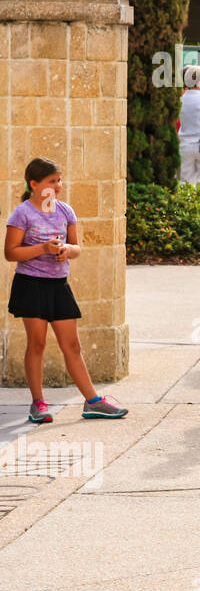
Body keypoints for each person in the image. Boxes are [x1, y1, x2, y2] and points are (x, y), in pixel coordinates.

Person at [6, 158, 127, 424]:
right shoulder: (22, 213)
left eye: (59, 180)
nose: (58, 186)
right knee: (36, 344)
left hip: (59, 286)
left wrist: (66, 252)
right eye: (52, 181)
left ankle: (93, 401)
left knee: (72, 344)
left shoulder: (65, 211)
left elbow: (77, 247)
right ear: (34, 184)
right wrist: (42, 249)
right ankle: (38, 403)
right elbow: (10, 252)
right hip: (31, 286)